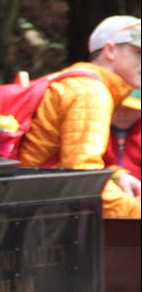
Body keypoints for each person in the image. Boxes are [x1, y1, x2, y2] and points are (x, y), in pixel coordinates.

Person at [18, 16, 142, 219]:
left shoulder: (76, 82)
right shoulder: (90, 92)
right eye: (138, 53)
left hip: (31, 202)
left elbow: (71, 164)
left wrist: (114, 174)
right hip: (35, 212)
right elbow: (84, 180)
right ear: (109, 50)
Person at [105, 88, 140, 181]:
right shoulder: (95, 133)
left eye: (130, 109)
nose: (122, 114)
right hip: (104, 190)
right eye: (117, 107)